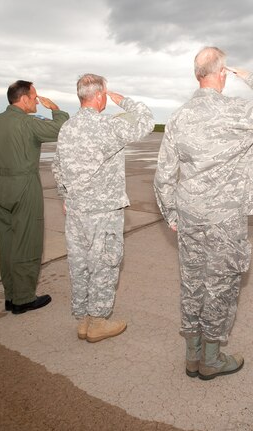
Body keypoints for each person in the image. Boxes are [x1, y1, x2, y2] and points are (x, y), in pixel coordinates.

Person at [154, 47, 253, 380]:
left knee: (192, 283)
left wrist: (172, 215)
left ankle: (191, 356)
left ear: (196, 75)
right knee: (219, 285)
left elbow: (163, 175)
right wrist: (251, 77)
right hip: (224, 218)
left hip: (189, 213)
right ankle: (211, 359)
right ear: (221, 74)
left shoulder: (178, 116)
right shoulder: (236, 111)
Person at [52, 74, 154, 342]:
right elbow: (146, 121)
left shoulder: (68, 128)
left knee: (80, 263)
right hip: (104, 210)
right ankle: (98, 321)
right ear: (99, 96)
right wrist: (126, 102)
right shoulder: (106, 127)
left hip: (76, 209)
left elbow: (58, 167)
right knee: (104, 262)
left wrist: (66, 195)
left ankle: (84, 319)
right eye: (105, 94)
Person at [0, 80, 68, 314]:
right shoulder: (27, 123)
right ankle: (23, 298)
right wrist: (55, 109)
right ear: (23, 99)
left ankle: (11, 294)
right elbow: (62, 129)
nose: (36, 102)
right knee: (28, 242)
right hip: (24, 184)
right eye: (34, 97)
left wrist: (0, 182)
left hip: (1, 186)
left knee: (8, 244)